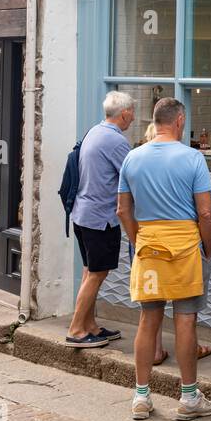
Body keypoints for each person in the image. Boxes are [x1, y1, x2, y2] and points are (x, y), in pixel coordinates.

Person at [117, 98, 211, 421]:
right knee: (185, 319)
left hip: (149, 246)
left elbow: (123, 210)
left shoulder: (132, 157)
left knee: (149, 319)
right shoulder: (193, 158)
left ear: (154, 121)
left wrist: (138, 240)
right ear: (179, 121)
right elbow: (206, 212)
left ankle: (141, 395)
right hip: (186, 247)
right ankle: (189, 397)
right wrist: (208, 248)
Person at [65, 91, 135, 349]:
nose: (133, 118)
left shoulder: (94, 131)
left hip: (82, 214)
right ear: (124, 114)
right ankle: (76, 330)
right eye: (132, 113)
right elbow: (133, 176)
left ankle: (90, 325)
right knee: (96, 274)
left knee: (90, 271)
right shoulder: (116, 141)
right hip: (100, 218)